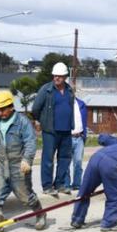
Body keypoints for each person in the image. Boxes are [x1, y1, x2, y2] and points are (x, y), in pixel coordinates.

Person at [0, 90, 47, 232]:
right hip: (1, 165)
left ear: (11, 107)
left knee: (26, 198)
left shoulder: (22, 122)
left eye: (2, 110)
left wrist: (27, 160)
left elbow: (31, 143)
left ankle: (40, 214)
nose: (0, 113)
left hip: (18, 166)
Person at [31, 62, 75, 197]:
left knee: (65, 158)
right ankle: (47, 186)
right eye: (55, 76)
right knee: (48, 159)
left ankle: (60, 184)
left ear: (65, 77)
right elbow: (35, 109)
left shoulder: (69, 90)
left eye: (60, 76)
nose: (56, 78)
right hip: (51, 131)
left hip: (66, 130)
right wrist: (42, 122)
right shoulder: (46, 89)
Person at [65, 96, 88, 192]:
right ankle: (66, 184)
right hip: (67, 138)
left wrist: (84, 136)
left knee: (78, 162)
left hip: (79, 137)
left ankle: (77, 184)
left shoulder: (81, 104)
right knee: (65, 162)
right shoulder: (63, 104)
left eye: (72, 90)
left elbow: (84, 121)